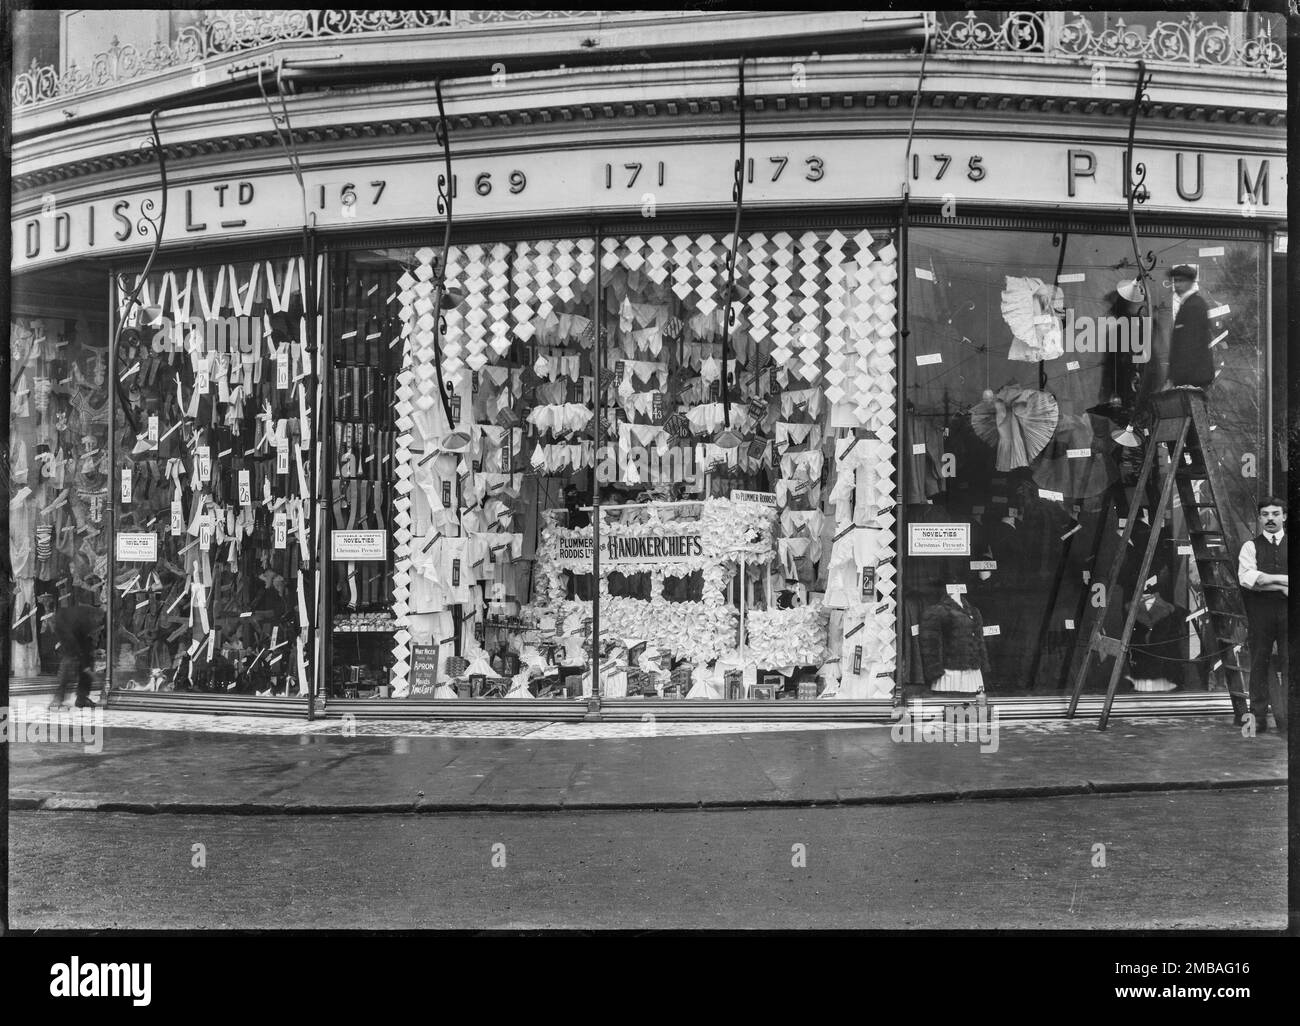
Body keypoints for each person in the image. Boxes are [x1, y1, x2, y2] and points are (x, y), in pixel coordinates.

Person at [1237, 497, 1287, 732]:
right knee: (1258, 662)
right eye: (1265, 514)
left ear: (1284, 516)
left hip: (1289, 615)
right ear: (1259, 518)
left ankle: (1289, 719)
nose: (1270, 518)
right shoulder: (1250, 547)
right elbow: (1249, 580)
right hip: (1261, 613)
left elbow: (1260, 579)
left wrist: (1265, 579)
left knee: (1291, 663)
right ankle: (1257, 717)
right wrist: (1282, 584)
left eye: (1275, 513)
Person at [1166, 263, 1214, 389]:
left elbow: (1191, 344)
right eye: (1175, 281)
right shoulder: (1190, 304)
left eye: (1181, 281)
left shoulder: (1193, 306)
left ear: (1191, 282)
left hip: (1192, 379)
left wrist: (1177, 379)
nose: (1177, 285)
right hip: (1191, 378)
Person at [51, 604, 104, 708]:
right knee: (71, 660)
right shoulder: (88, 620)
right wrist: (87, 667)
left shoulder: (90, 618)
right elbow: (77, 646)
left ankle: (82, 697)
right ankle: (57, 699)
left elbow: (85, 644)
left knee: (84, 659)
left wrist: (87, 662)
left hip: (72, 630)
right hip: (65, 628)